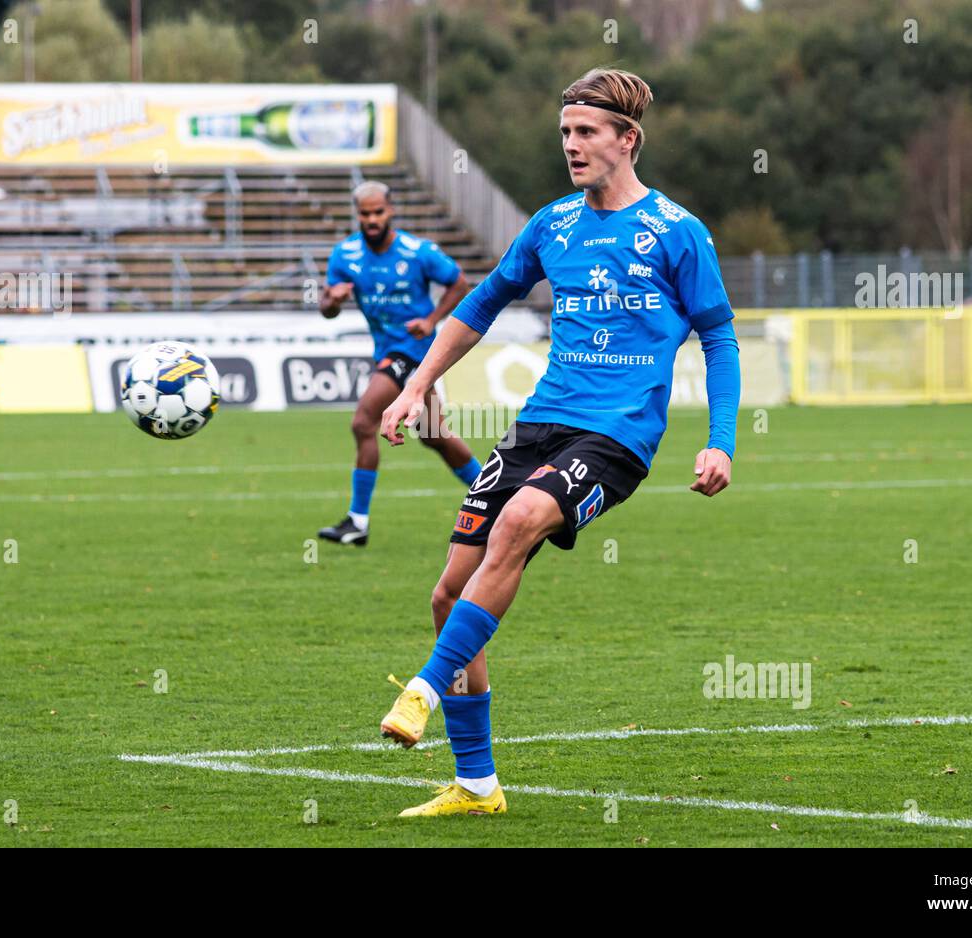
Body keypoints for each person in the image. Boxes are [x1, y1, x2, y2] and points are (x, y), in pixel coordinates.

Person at [376, 68, 742, 817]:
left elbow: (720, 337)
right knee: (450, 595)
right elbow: (480, 305)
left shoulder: (677, 232)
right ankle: (478, 786)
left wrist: (720, 441)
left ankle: (422, 689)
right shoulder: (554, 225)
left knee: (519, 523)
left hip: (618, 434)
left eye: (585, 133)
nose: (570, 146)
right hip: (541, 423)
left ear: (626, 139)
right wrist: (416, 385)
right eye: (565, 133)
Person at [317, 181, 482, 547]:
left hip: (414, 351)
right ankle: (496, 494)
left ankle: (357, 521)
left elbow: (459, 283)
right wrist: (331, 299)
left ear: (390, 211)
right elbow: (327, 311)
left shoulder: (417, 251)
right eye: (365, 214)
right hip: (389, 351)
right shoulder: (344, 256)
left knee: (363, 421)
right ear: (357, 215)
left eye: (378, 212)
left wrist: (432, 320)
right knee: (434, 435)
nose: (372, 219)